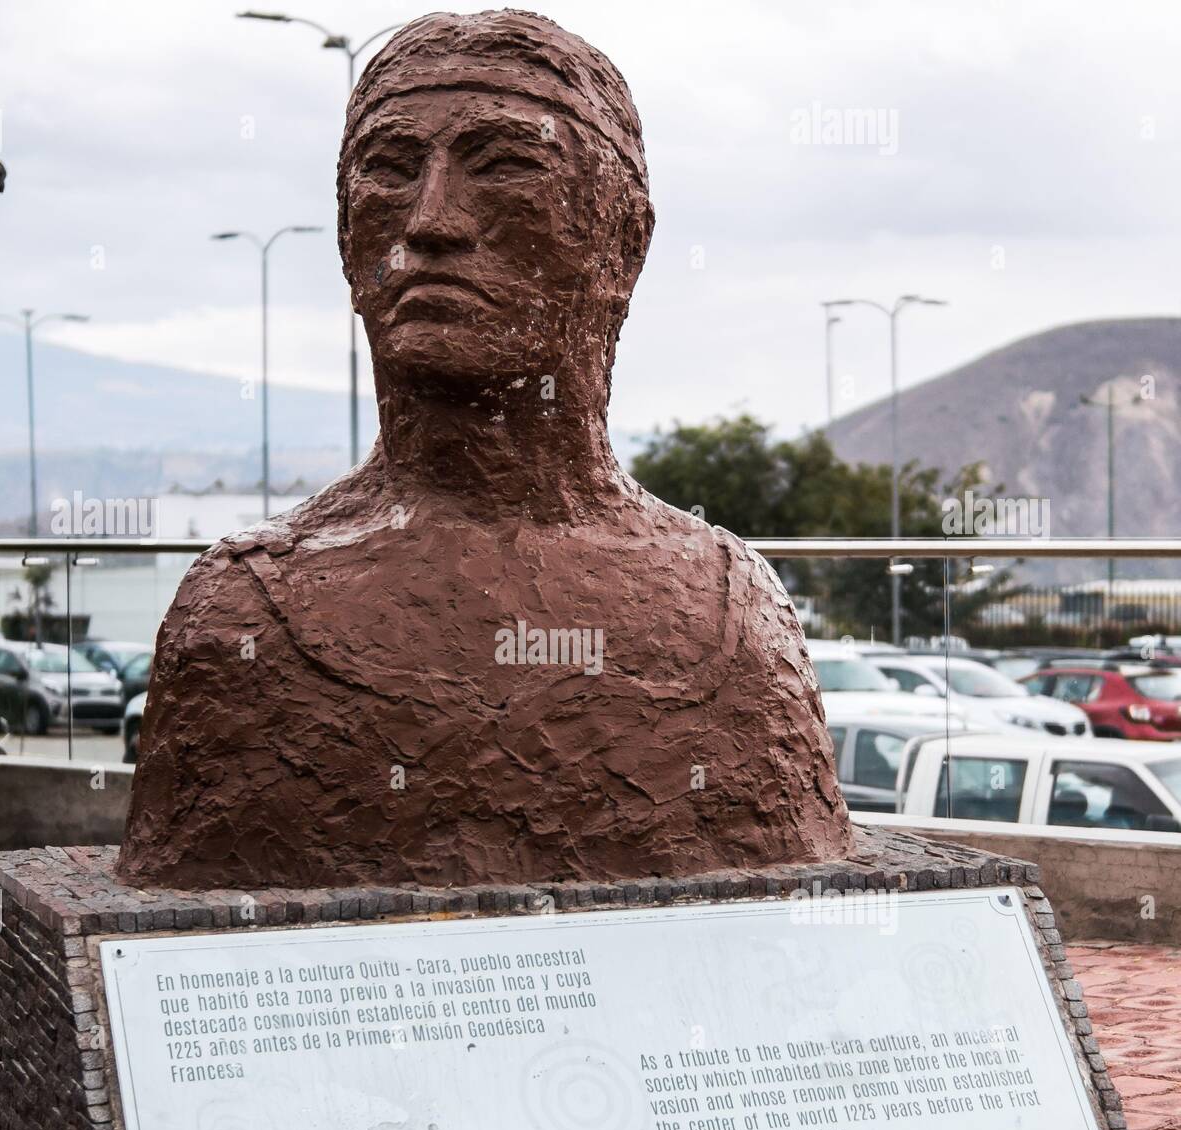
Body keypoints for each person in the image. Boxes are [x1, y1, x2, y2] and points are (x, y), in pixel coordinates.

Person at [116, 10, 851, 890]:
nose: (430, 221)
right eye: (388, 171)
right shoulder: (243, 615)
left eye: (502, 165)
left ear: (620, 240)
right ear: (348, 239)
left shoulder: (734, 620)